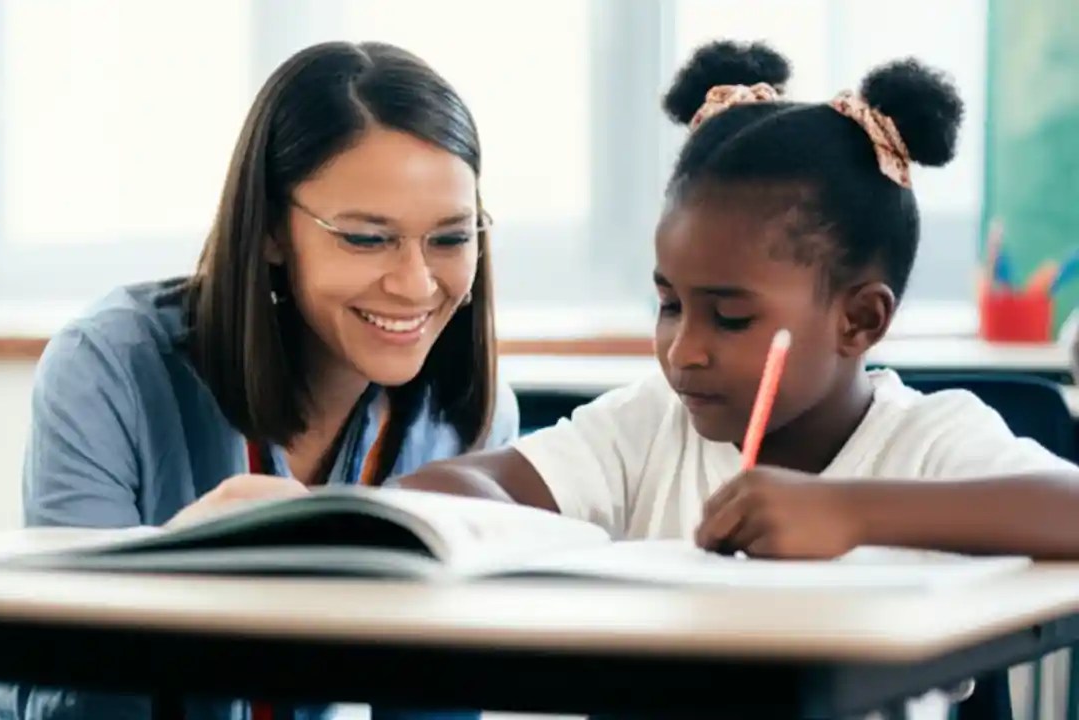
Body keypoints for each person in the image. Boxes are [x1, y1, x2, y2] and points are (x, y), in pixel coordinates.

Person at [0, 40, 516, 720]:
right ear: (271, 231)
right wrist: (175, 570)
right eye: (366, 239)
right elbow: (69, 690)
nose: (415, 284)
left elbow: (437, 702)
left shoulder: (474, 416)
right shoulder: (109, 365)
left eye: (451, 238)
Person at [395, 40, 1078, 556]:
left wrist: (849, 514)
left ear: (860, 319)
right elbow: (438, 495)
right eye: (669, 305)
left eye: (731, 317)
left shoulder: (926, 443)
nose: (684, 350)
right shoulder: (645, 429)